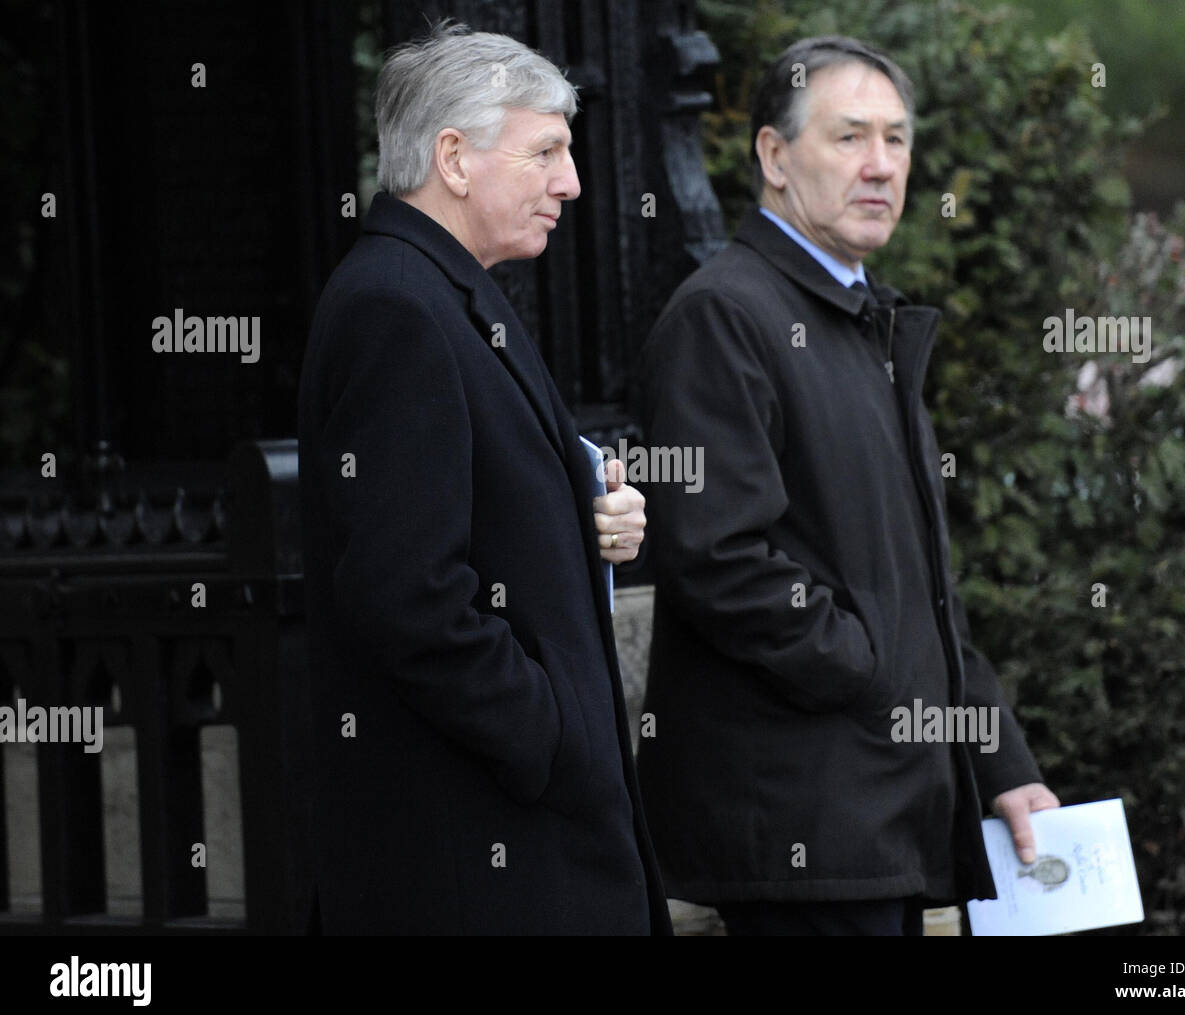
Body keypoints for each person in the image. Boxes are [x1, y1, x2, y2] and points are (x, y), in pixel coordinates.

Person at [634, 35, 1060, 936]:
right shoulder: (726, 314)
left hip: (883, 819)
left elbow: (925, 593)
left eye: (897, 141)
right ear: (774, 156)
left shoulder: (865, 315)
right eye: (850, 138)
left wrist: (1001, 763)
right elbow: (720, 559)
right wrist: (868, 673)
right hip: (806, 834)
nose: (881, 167)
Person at [297, 23, 669, 935]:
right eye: (545, 150)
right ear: (453, 159)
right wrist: (554, 737)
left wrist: (582, 524)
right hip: (484, 865)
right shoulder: (396, 304)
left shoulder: (439, 290)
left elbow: (470, 521)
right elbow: (408, 595)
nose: (571, 182)